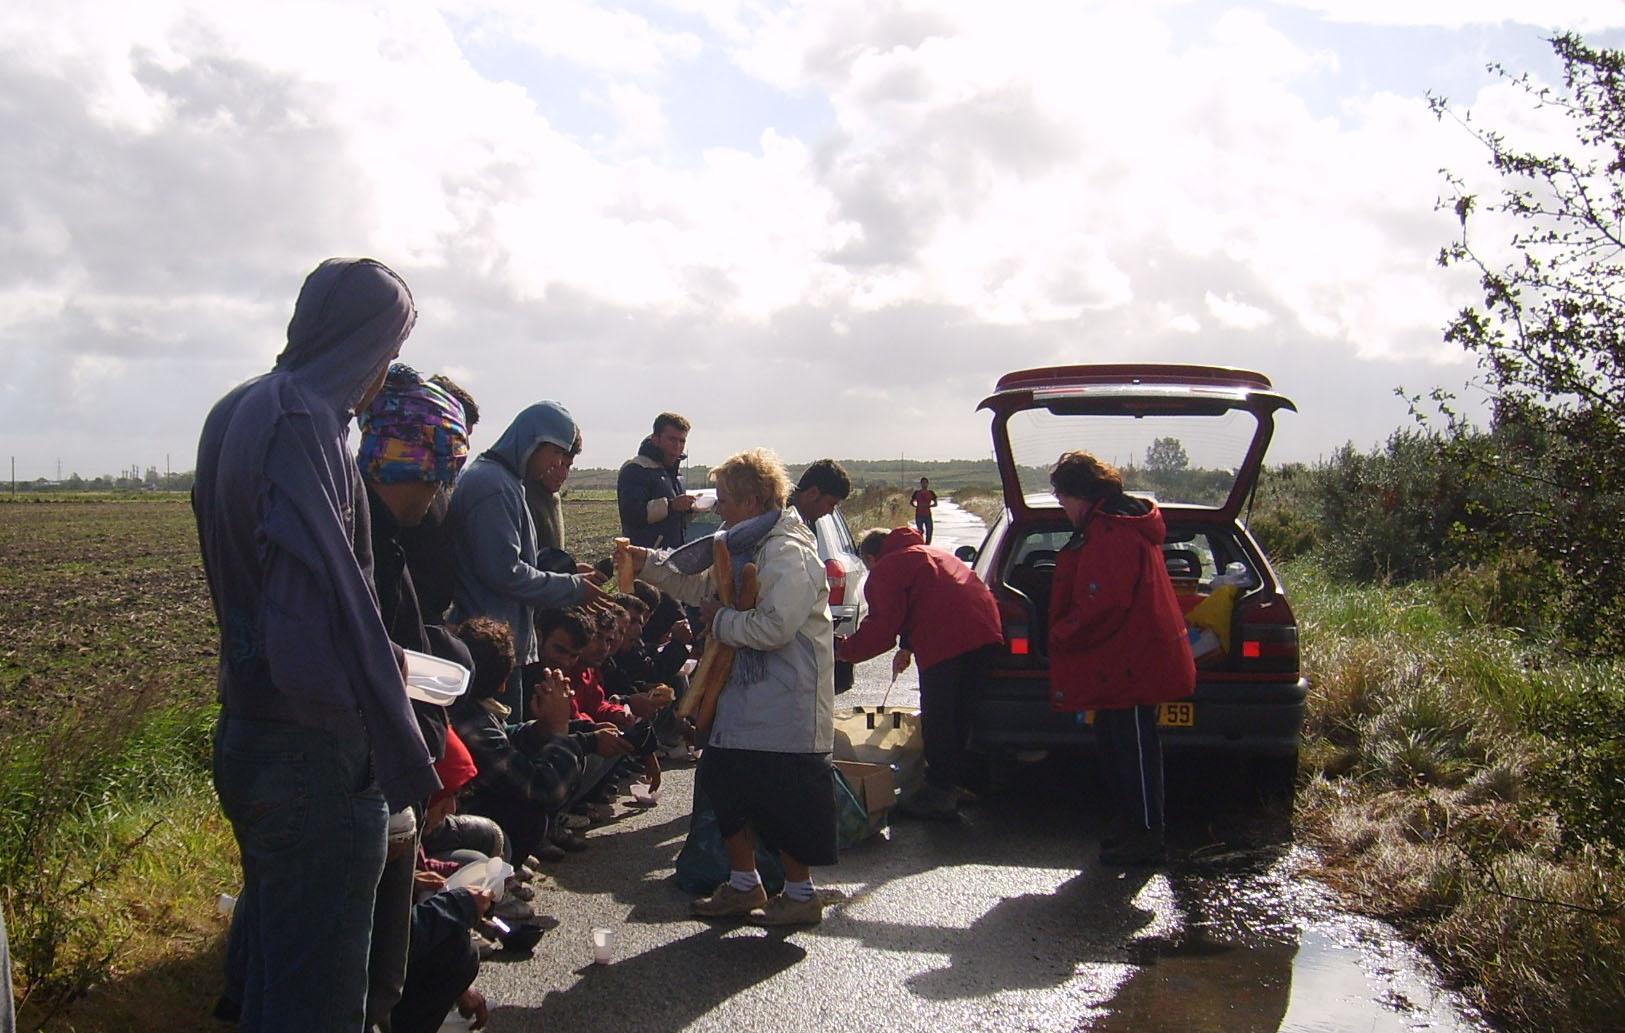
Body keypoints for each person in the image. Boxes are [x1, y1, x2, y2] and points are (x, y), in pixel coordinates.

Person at [193, 257, 438, 1031]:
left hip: (248, 725)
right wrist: (373, 708)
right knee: (319, 1007)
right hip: (313, 751)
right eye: (388, 348)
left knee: (276, 985)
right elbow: (314, 614)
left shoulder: (239, 407)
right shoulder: (307, 422)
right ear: (362, 342)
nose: (385, 371)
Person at [622, 448, 837, 926]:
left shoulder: (786, 552)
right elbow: (698, 585)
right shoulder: (741, 547)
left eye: (723, 499)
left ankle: (800, 896)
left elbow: (776, 627)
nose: (716, 507)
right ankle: (745, 885)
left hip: (786, 701)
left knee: (783, 803)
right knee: (725, 784)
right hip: (745, 697)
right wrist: (646, 563)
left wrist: (721, 621)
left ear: (753, 501)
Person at [1047, 450, 1195, 866]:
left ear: (1078, 494)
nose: (1061, 506)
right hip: (1125, 658)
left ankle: (1147, 834)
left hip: (1130, 661)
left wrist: (1063, 632)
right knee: (1119, 746)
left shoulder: (1111, 531)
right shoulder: (1116, 524)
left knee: (1133, 750)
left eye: (1061, 498)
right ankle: (1133, 826)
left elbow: (1105, 602)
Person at [448, 401, 610, 714]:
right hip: (488, 651)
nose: (556, 463)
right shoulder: (493, 486)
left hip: (503, 645)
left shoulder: (505, 482)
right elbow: (505, 573)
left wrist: (568, 575)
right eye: (555, 452)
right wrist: (572, 588)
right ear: (533, 441)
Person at [837, 526, 1004, 819]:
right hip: (985, 631)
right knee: (962, 712)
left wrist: (843, 651)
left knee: (939, 715)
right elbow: (929, 599)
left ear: (872, 558)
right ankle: (959, 782)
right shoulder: (932, 554)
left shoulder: (887, 568)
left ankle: (940, 792)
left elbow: (881, 629)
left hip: (946, 638)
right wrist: (908, 646)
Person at [617, 412, 697, 548]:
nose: (677, 446)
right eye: (672, 439)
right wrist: (671, 506)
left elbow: (676, 520)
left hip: (673, 554)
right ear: (656, 439)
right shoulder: (636, 469)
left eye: (682, 441)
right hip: (644, 556)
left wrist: (690, 508)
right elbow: (632, 515)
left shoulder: (677, 476)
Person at [788, 459, 851, 525]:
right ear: (813, 493)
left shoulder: (803, 521)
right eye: (830, 504)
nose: (831, 512)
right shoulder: (782, 515)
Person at [910, 477, 938, 544]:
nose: (924, 484)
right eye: (923, 483)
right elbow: (911, 502)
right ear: (921, 484)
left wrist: (928, 506)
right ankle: (921, 544)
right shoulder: (917, 493)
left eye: (925, 483)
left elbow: (935, 504)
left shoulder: (931, 493)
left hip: (928, 515)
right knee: (920, 531)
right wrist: (917, 506)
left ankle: (927, 545)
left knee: (929, 531)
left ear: (928, 484)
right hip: (919, 514)